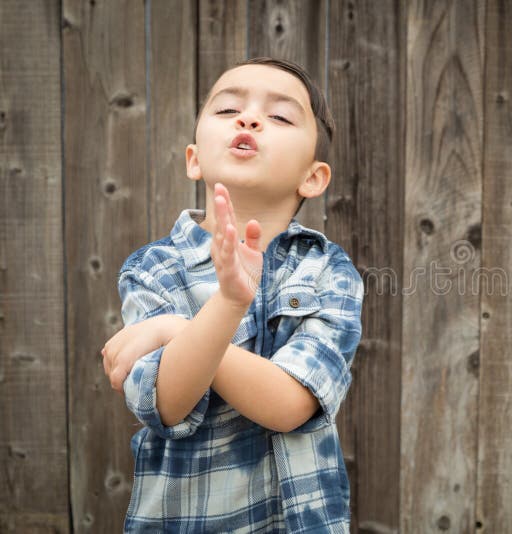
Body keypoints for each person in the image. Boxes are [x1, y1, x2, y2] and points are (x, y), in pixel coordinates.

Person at [100, 57, 363, 533]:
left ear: (313, 177)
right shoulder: (153, 270)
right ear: (194, 159)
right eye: (227, 110)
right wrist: (228, 305)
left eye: (280, 116)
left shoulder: (326, 270)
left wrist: (178, 329)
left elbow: (289, 406)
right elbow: (165, 403)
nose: (249, 119)